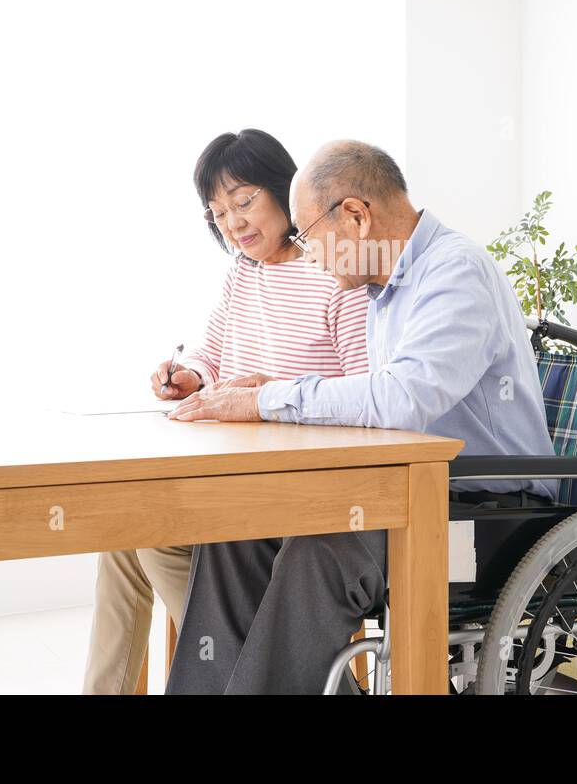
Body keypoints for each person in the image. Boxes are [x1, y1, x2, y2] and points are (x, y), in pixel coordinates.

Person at [164, 139, 555, 694]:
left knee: (321, 549)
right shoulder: (383, 291)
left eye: (308, 235)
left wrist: (268, 400)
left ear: (355, 216)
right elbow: (369, 404)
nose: (308, 254)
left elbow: (401, 399)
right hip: (411, 492)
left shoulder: (455, 272)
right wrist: (270, 394)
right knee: (234, 533)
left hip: (486, 517)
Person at [81, 129, 369, 694]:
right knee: (120, 529)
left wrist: (271, 396)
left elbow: (363, 393)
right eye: (218, 213)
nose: (233, 223)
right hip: (235, 474)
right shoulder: (243, 274)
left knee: (151, 535)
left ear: (285, 190)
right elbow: (211, 354)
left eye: (243, 202)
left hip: (297, 485)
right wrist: (189, 375)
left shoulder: (334, 274)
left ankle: (239, 675)